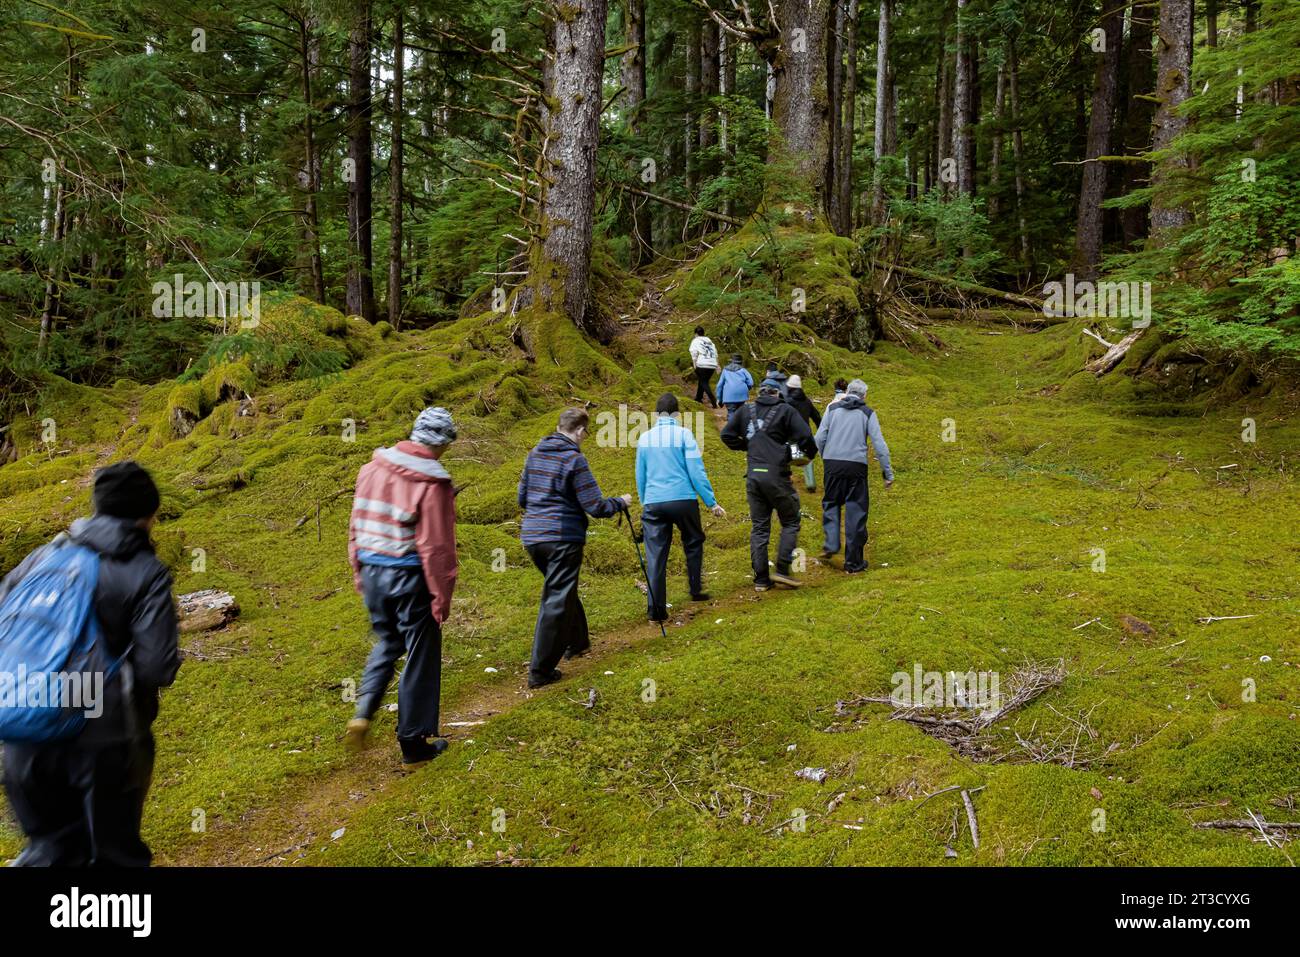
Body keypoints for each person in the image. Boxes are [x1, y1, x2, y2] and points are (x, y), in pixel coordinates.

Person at [0, 461, 181, 866]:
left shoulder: (42, 557)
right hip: (102, 734)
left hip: (23, 727)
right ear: (147, 515)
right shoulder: (144, 570)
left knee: (49, 850)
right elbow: (158, 667)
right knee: (114, 855)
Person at [345, 407, 459, 768]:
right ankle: (413, 741)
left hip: (374, 568)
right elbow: (436, 547)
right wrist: (442, 596)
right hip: (410, 577)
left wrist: (358, 567)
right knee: (421, 650)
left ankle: (363, 711)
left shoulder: (372, 468)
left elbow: (356, 521)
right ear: (441, 444)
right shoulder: (433, 483)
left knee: (387, 642)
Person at [518, 408, 631, 688]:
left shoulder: (534, 454)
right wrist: (621, 502)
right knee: (557, 599)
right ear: (580, 431)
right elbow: (595, 506)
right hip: (562, 538)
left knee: (563, 589)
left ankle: (578, 642)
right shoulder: (574, 459)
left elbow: (522, 498)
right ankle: (540, 671)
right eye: (586, 434)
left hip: (533, 538)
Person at [635, 393, 726, 622]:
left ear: (656, 415)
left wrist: (645, 501)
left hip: (654, 501)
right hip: (683, 499)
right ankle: (695, 589)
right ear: (677, 414)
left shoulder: (645, 438)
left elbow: (640, 475)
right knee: (693, 541)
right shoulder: (685, 435)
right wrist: (711, 501)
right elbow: (696, 471)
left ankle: (656, 611)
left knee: (655, 556)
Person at [721, 382, 818, 591]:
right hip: (777, 476)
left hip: (754, 476)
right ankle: (782, 570)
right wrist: (809, 455)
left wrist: (747, 445)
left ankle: (761, 580)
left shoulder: (745, 410)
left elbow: (726, 435)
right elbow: (806, 436)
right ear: (777, 393)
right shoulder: (785, 410)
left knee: (760, 528)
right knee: (791, 521)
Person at [814, 379, 894, 573]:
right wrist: (887, 472)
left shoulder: (832, 410)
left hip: (832, 464)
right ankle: (853, 563)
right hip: (856, 466)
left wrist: (826, 457)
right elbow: (880, 446)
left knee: (831, 503)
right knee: (856, 511)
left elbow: (819, 438)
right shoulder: (868, 413)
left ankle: (832, 543)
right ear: (864, 395)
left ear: (847, 392)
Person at [785, 374, 822, 492]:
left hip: (791, 438)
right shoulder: (807, 401)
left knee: (785, 455)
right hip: (805, 437)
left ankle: (787, 478)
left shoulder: (786, 402)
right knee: (808, 457)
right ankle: (810, 484)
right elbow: (817, 417)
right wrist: (820, 430)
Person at [688, 326, 719, 408]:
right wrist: (717, 365)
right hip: (712, 365)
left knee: (703, 382)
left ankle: (713, 399)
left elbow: (693, 352)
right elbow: (715, 353)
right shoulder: (710, 342)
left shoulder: (696, 341)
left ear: (696, 334)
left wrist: (694, 363)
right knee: (702, 380)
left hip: (702, 364)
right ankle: (698, 398)